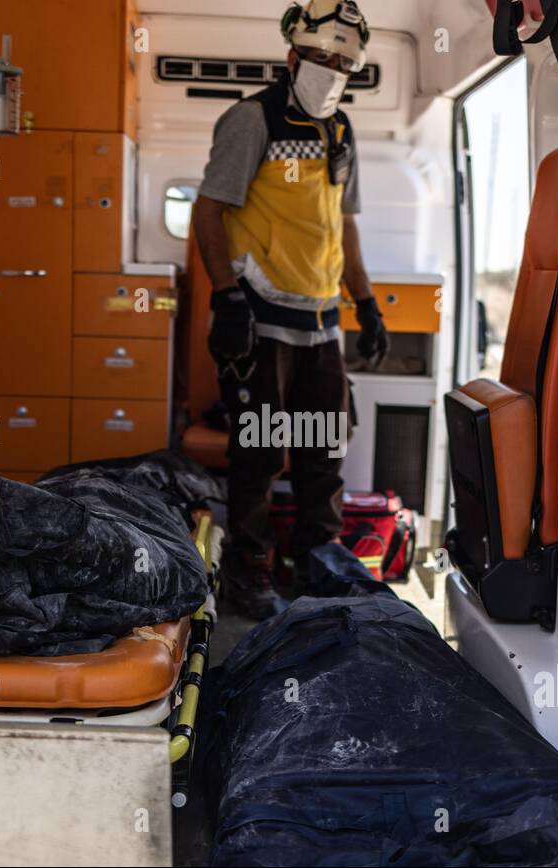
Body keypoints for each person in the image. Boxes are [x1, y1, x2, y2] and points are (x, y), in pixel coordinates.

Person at [193, 0, 388, 619]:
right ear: (292, 56)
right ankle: (247, 570)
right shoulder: (253, 119)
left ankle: (316, 560)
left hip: (321, 319)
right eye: (322, 56)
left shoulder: (341, 131)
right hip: (261, 313)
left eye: (345, 62)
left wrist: (366, 301)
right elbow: (209, 211)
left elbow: (344, 226)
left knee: (323, 448)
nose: (332, 70)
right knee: (259, 449)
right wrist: (226, 297)